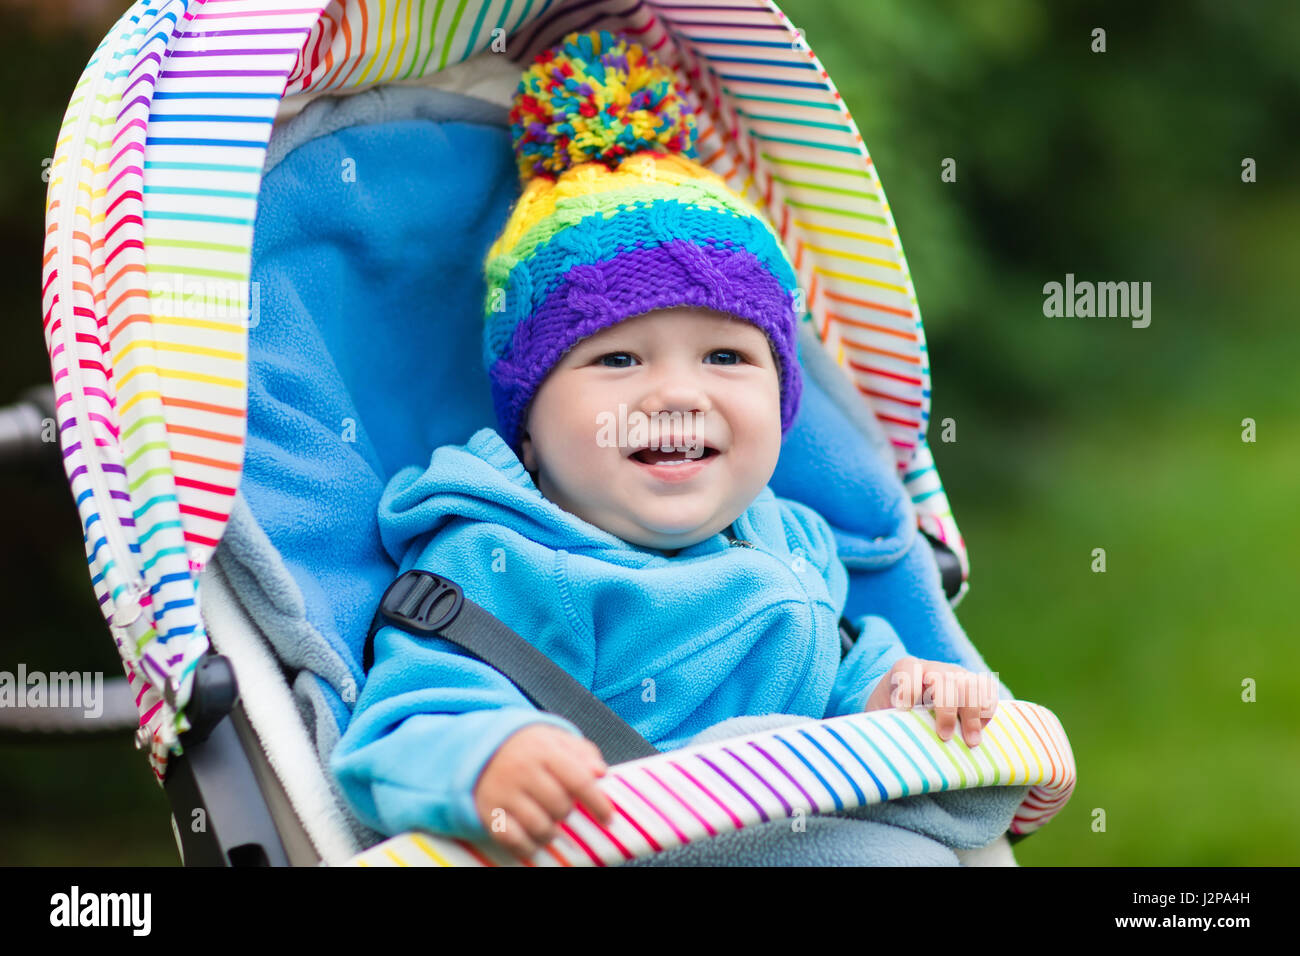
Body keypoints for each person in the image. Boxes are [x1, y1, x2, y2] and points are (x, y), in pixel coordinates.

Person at [330, 29, 1000, 863]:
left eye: (726, 357)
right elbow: (413, 718)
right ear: (529, 429)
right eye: (616, 358)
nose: (679, 394)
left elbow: (836, 676)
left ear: (782, 405)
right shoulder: (505, 559)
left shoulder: (793, 543)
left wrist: (907, 691)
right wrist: (485, 761)